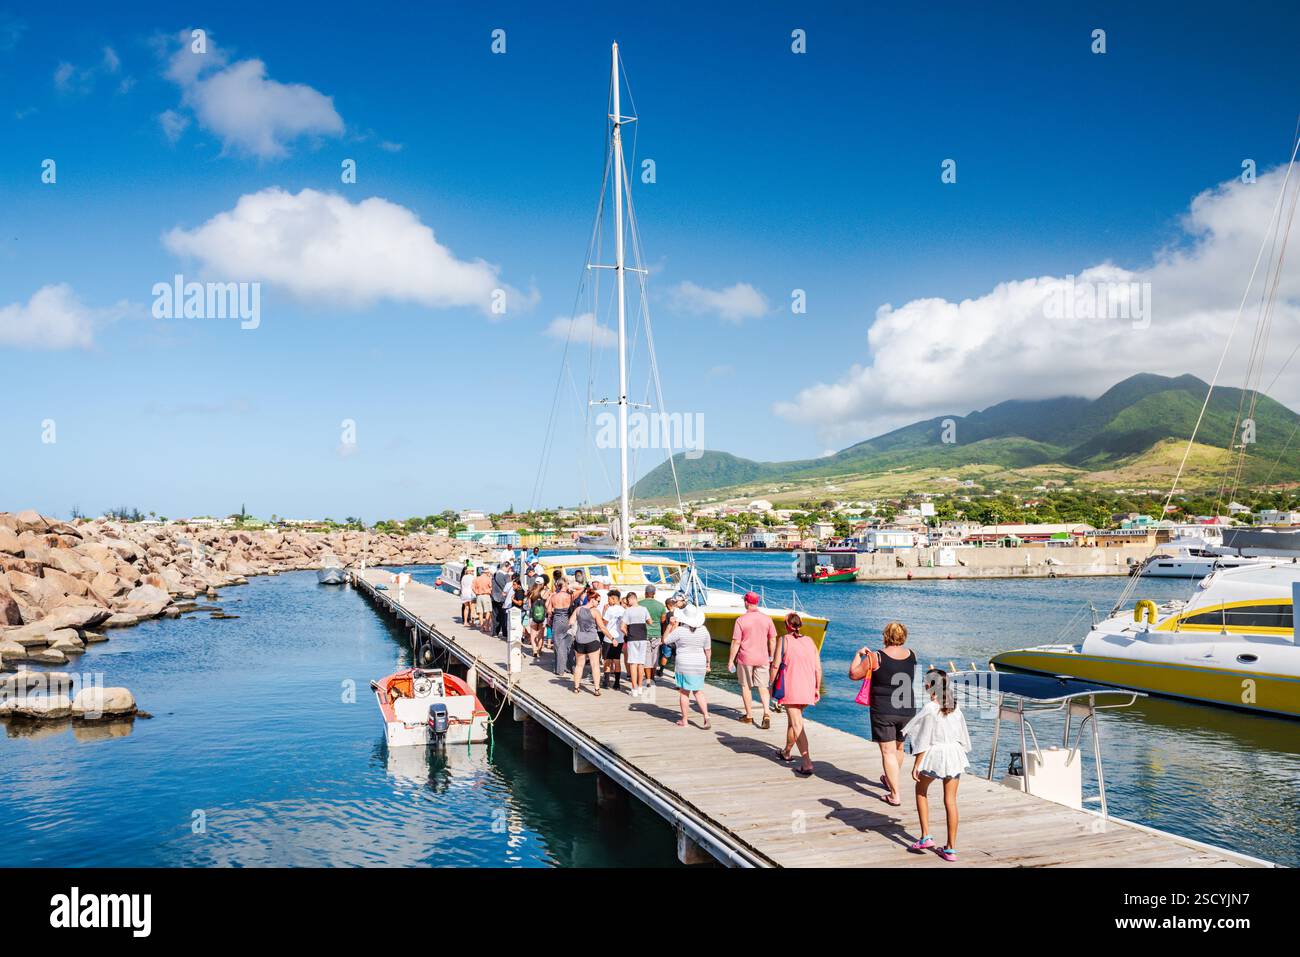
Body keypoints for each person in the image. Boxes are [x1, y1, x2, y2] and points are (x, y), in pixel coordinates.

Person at [904, 669, 971, 862]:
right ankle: (950, 849)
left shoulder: (929, 708)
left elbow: (923, 739)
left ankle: (926, 836)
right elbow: (962, 734)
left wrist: (917, 764)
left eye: (925, 683)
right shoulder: (955, 706)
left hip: (936, 754)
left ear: (929, 686)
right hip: (953, 753)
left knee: (920, 788)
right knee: (950, 801)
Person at [850, 621, 917, 807]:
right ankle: (890, 780)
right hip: (907, 708)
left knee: (887, 752)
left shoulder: (875, 657)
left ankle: (895, 794)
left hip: (884, 709)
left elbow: (854, 674)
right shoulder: (913, 654)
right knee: (899, 748)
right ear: (904, 636)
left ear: (885, 636)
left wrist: (858, 655)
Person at [772, 612, 821, 777]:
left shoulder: (783, 640)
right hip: (807, 687)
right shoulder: (810, 641)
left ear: (786, 624)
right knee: (793, 722)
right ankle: (786, 752)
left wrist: (771, 684)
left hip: (791, 687)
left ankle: (807, 763)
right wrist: (816, 688)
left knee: (797, 725)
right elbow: (817, 668)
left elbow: (775, 665)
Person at [727, 591, 776, 729]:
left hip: (745, 658)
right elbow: (772, 639)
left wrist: (731, 660)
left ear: (747, 603)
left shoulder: (741, 620)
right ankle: (766, 713)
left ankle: (749, 715)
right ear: (757, 602)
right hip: (763, 658)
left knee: (746, 687)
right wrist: (771, 656)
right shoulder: (767, 619)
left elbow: (736, 642)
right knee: (763, 687)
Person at [661, 603, 711, 728]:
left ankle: (685, 720)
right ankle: (706, 716)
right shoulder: (704, 630)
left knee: (684, 692)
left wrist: (670, 626)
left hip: (684, 663)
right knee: (698, 691)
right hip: (699, 662)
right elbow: (708, 649)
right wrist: (708, 663)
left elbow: (665, 640)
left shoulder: (680, 631)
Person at [571, 588, 610, 695]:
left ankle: (576, 687)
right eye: (598, 601)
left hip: (579, 640)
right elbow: (602, 627)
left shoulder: (578, 610)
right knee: (595, 665)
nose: (599, 603)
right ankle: (596, 689)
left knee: (579, 665)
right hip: (592, 640)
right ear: (592, 599)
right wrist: (612, 638)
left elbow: (571, 622)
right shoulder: (595, 612)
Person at [620, 593, 653, 697]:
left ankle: (633, 689)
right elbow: (650, 622)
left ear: (631, 599)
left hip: (632, 639)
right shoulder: (644, 609)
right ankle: (639, 688)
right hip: (642, 638)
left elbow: (622, 627)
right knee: (641, 663)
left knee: (633, 664)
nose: (628, 602)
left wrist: (627, 633)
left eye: (628, 600)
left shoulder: (627, 611)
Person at [547, 572, 575, 676]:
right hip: (567, 619)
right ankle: (570, 667)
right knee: (568, 644)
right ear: (565, 585)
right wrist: (571, 588)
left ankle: (560, 670)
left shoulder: (554, 596)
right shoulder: (570, 596)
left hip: (557, 620)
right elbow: (582, 589)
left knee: (558, 645)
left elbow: (549, 610)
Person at [640, 585, 667, 680]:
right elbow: (663, 621)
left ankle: (647, 679)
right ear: (654, 594)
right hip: (657, 633)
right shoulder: (660, 605)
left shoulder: (640, 604)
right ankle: (652, 677)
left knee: (646, 658)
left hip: (644, 633)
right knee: (655, 657)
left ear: (645, 593)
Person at [601, 588, 625, 690]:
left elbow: (604, 623)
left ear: (614, 599)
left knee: (607, 660)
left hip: (609, 638)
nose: (608, 601)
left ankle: (606, 682)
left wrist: (604, 611)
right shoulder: (624, 610)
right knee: (617, 660)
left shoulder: (610, 609)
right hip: (620, 638)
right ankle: (617, 683)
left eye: (609, 599)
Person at [525, 578, 548, 657]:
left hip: (533, 615)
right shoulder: (545, 592)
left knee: (533, 634)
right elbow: (547, 604)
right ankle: (539, 649)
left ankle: (534, 650)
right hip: (543, 616)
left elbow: (529, 605)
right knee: (541, 634)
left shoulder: (531, 592)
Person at [490, 562, 511, 638]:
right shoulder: (506, 576)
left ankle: (495, 633)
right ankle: (505, 633)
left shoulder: (494, 574)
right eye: (509, 568)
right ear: (505, 567)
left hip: (493, 597)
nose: (509, 570)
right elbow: (508, 587)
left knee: (495, 616)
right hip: (502, 598)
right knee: (504, 616)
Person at [472, 566, 493, 635]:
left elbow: (472, 588)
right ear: (487, 573)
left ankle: (481, 626)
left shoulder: (476, 579)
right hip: (486, 595)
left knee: (480, 612)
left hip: (479, 596)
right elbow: (491, 587)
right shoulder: (488, 579)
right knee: (488, 611)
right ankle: (486, 626)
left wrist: (477, 593)